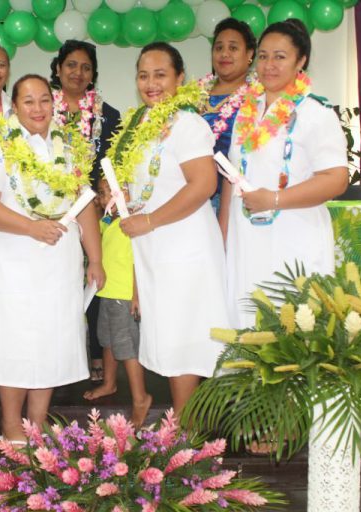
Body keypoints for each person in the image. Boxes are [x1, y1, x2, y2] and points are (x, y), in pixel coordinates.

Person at [0, 74, 105, 443]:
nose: (38, 108)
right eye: (28, 101)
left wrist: (95, 258)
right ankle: (12, 423)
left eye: (45, 99)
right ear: (14, 106)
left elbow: (84, 203)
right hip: (15, 259)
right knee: (14, 338)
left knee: (52, 338)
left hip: (60, 262)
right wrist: (31, 228)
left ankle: (37, 421)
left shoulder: (69, 146)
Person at [110, 42, 230, 416]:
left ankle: (183, 427)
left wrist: (149, 221)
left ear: (180, 78)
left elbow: (204, 184)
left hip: (185, 247)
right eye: (143, 75)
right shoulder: (141, 125)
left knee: (185, 337)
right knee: (168, 337)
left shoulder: (188, 124)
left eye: (160, 75)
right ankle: (182, 424)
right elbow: (145, 190)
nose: (151, 84)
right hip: (152, 248)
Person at [223, 19, 348, 330]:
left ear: (300, 61)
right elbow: (232, 177)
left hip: (295, 236)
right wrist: (223, 237)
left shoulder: (316, 113)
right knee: (247, 321)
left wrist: (275, 199)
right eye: (263, 56)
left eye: (280, 57)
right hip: (245, 238)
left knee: (293, 324)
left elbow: (336, 178)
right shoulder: (246, 112)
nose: (269, 65)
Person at [50, 39, 121, 384]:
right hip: (51, 211)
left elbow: (112, 164)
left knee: (94, 279)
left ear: (93, 74)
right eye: (71, 65)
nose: (78, 73)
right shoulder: (42, 107)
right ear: (58, 68)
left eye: (86, 67)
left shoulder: (109, 115)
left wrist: (101, 196)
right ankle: (58, 352)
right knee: (58, 283)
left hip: (94, 210)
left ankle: (93, 352)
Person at [83, 179, 152, 428]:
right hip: (107, 292)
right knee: (108, 341)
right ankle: (109, 383)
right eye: (101, 194)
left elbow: (138, 261)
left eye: (109, 193)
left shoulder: (131, 223)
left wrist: (136, 294)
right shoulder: (107, 222)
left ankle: (141, 398)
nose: (104, 199)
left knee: (126, 347)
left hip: (124, 295)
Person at [198, 18, 256, 222]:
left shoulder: (258, 97)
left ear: (249, 54)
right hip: (194, 196)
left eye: (233, 48)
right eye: (219, 48)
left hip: (238, 196)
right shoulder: (193, 94)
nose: (224, 54)